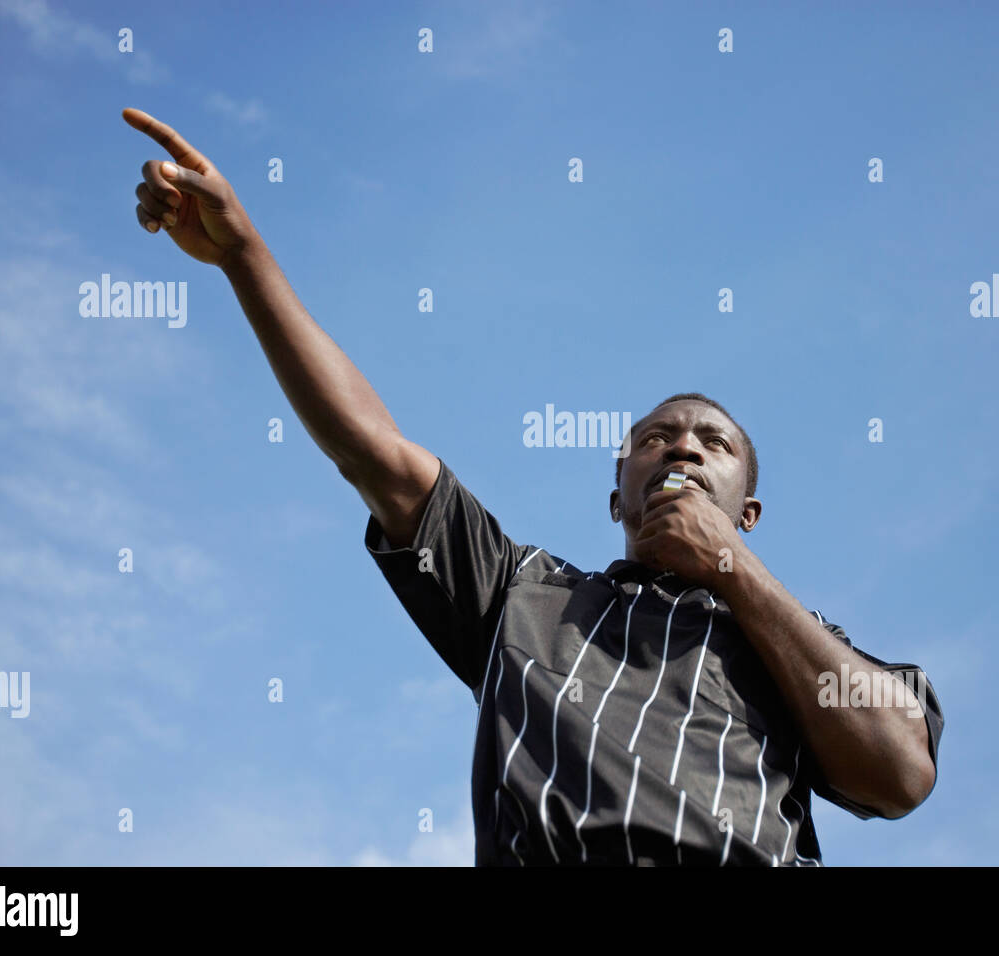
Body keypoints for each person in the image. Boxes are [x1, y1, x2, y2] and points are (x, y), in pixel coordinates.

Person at [123, 108, 944, 866]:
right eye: (654, 439)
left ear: (749, 511)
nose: (683, 450)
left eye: (713, 444)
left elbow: (900, 773)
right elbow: (373, 451)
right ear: (617, 495)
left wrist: (732, 569)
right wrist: (242, 256)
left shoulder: (795, 644)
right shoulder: (525, 597)